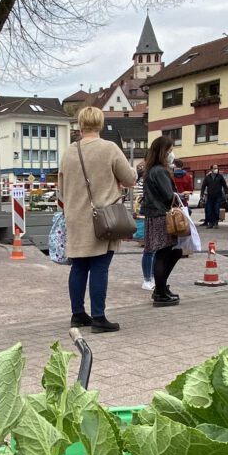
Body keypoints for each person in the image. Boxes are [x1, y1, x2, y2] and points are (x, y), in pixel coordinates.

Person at [56, 106, 134, 331]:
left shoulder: (69, 152)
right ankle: (99, 318)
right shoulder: (109, 148)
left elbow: (61, 189)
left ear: (80, 125)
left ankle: (78, 314)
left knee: (78, 267)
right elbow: (129, 179)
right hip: (103, 220)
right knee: (100, 267)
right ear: (100, 124)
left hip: (75, 218)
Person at [140, 135, 187, 307]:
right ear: (163, 151)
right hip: (162, 216)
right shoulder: (159, 171)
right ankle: (160, 291)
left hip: (154, 216)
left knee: (169, 252)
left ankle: (161, 288)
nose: (172, 154)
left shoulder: (151, 170)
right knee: (164, 253)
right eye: (170, 150)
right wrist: (180, 196)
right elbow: (168, 195)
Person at [201, 165, 226, 229]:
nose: (216, 169)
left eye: (217, 168)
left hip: (218, 196)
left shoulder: (220, 176)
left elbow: (224, 185)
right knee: (209, 210)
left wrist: (226, 193)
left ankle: (216, 223)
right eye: (215, 168)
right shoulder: (207, 177)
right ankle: (210, 223)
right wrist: (202, 194)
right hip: (210, 196)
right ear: (211, 169)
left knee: (216, 209)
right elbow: (203, 186)